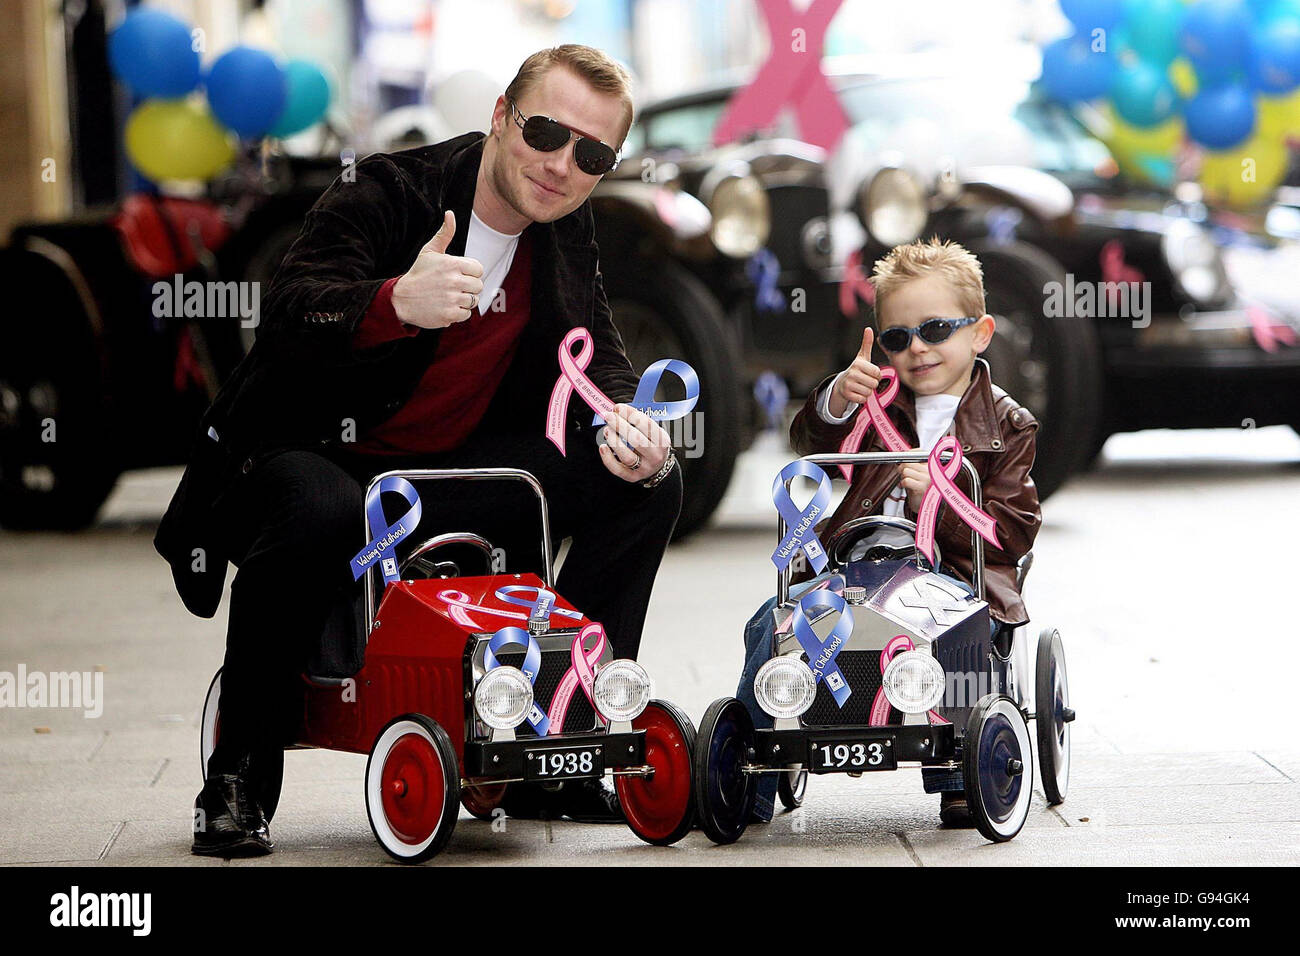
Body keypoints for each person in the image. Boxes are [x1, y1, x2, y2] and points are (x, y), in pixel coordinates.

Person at [156, 45, 683, 857]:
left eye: (592, 153)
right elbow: (291, 309)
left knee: (646, 482)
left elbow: (594, 344)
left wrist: (625, 420)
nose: (560, 164)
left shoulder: (563, 220)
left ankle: (564, 735)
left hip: (446, 468)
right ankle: (235, 779)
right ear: (502, 116)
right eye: (545, 132)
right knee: (321, 510)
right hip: (315, 449)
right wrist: (393, 300)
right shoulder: (385, 187)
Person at [736, 238, 1041, 826]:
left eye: (935, 330)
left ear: (980, 333)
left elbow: (1015, 530)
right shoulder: (874, 399)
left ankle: (956, 770)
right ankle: (752, 767)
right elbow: (811, 445)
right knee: (769, 624)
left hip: (955, 572)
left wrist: (943, 498)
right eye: (899, 338)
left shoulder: (1007, 423)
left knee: (958, 628)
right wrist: (833, 401)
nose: (917, 349)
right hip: (857, 563)